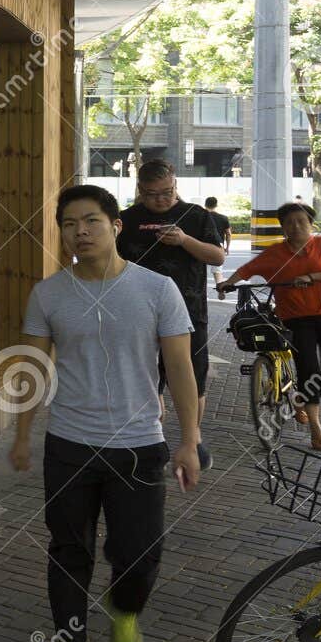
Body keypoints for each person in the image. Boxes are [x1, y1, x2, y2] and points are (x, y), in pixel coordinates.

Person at [9, 185, 202, 642]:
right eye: (69, 224)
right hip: (70, 444)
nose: (80, 232)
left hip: (139, 444)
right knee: (69, 550)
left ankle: (125, 608)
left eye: (91, 220)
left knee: (139, 554)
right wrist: (24, 434)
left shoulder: (157, 289)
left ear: (116, 225)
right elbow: (33, 370)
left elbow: (179, 369)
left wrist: (189, 439)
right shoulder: (48, 293)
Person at [218, 201, 321, 452]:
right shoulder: (275, 254)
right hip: (296, 318)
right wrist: (228, 283)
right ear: (283, 228)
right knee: (308, 369)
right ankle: (315, 427)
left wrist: (311, 277)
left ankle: (301, 399)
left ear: (311, 224)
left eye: (301, 221)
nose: (296, 226)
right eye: (289, 223)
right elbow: (247, 270)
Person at [116, 161, 224, 457]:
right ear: (140, 190)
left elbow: (217, 257)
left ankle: (194, 439)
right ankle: (154, 439)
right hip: (137, 314)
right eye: (152, 194)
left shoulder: (196, 216)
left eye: (168, 192)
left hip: (188, 313)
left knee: (193, 378)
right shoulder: (125, 220)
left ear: (175, 185)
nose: (161, 200)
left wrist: (185, 240)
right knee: (147, 380)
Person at [204, 196, 232, 286]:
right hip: (218, 247)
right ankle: (220, 289)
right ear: (216, 205)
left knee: (201, 272)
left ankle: (203, 294)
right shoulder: (223, 218)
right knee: (217, 272)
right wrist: (227, 247)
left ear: (205, 204)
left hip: (202, 246)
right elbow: (228, 234)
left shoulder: (201, 217)